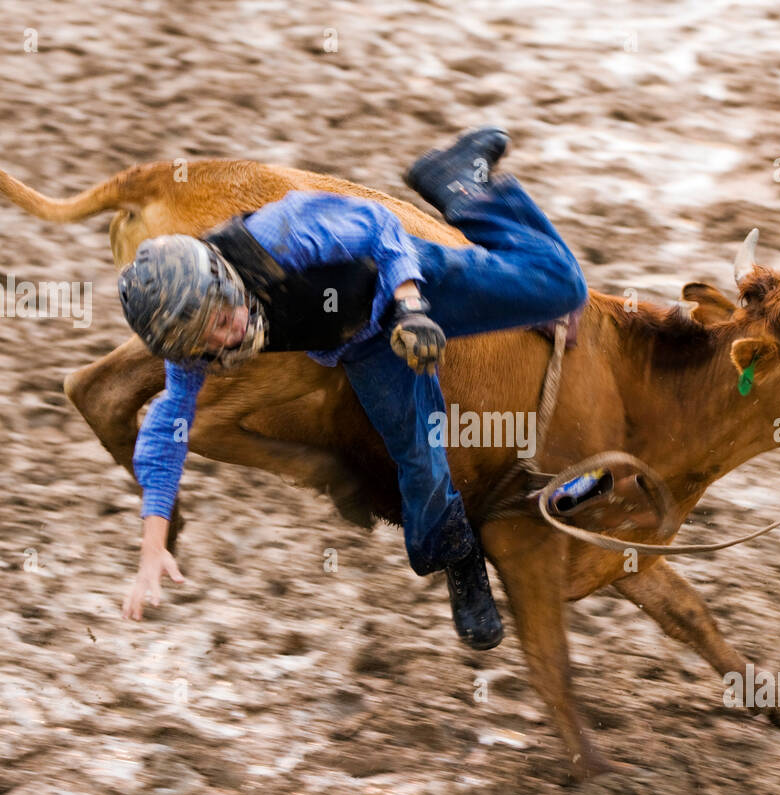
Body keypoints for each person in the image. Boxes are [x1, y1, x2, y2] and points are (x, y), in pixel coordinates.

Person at [116, 128, 587, 649]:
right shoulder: (192, 346)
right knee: (421, 460)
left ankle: (459, 182)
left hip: (408, 283)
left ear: (222, 282)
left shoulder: (280, 232)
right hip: (362, 343)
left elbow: (379, 227)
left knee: (563, 285)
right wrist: (151, 547)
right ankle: (458, 555)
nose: (228, 335)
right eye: (210, 341)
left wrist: (411, 310)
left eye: (224, 317)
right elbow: (167, 429)